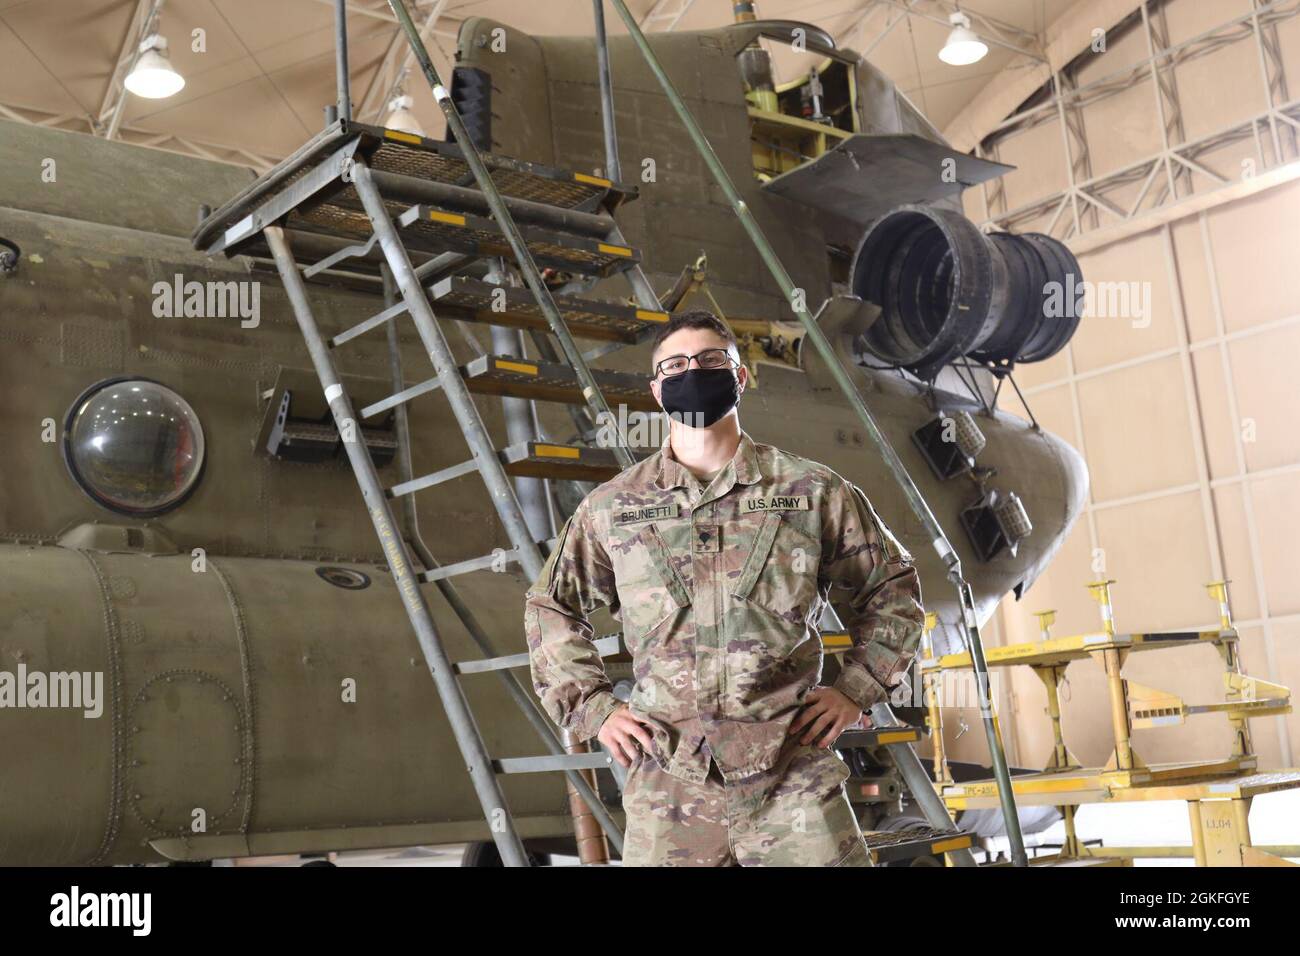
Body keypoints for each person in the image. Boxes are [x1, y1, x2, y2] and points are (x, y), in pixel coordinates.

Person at [524, 309, 924, 866]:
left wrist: (855, 688)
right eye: (678, 365)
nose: (695, 372)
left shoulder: (811, 492)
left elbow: (892, 590)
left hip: (791, 771)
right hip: (669, 779)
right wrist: (594, 708)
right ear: (657, 388)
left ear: (739, 377)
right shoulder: (615, 508)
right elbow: (552, 604)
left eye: (712, 361)